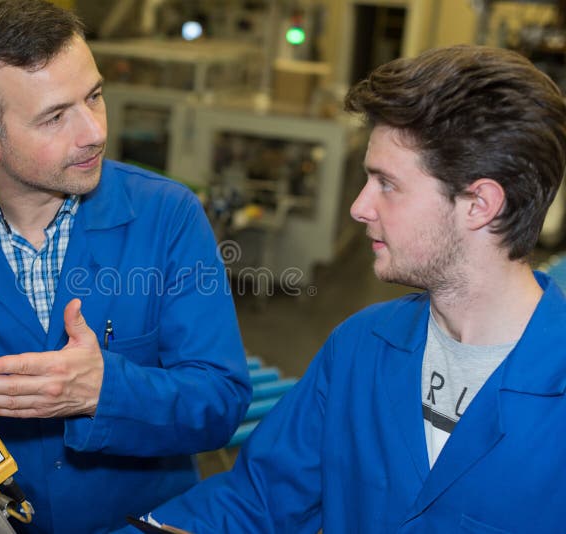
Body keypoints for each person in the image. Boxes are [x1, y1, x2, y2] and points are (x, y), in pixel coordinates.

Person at [118, 45, 566, 533]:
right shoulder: (360, 347)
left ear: (479, 204)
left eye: (386, 184)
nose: (359, 207)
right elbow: (257, 501)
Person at [0, 1, 251, 532]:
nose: (93, 131)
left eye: (94, 96)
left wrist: (104, 390)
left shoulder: (168, 216)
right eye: (55, 117)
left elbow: (221, 402)